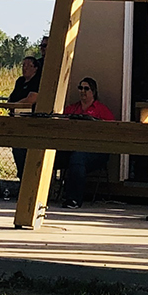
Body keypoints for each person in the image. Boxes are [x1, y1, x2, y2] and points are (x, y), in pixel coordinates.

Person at [58, 77, 114, 209]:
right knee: (46, 153)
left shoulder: (102, 110)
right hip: (71, 149)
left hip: (95, 152)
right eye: (80, 88)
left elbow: (111, 131)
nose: (82, 91)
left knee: (78, 158)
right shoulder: (71, 108)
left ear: (93, 92)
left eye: (86, 88)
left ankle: (74, 199)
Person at [6, 56, 42, 185]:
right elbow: (11, 97)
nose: (25, 68)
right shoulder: (20, 81)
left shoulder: (37, 81)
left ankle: (29, 182)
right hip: (16, 120)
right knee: (17, 149)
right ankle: (22, 179)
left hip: (29, 120)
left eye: (28, 66)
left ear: (35, 68)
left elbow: (31, 99)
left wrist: (14, 106)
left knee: (25, 151)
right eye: (23, 65)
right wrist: (10, 105)